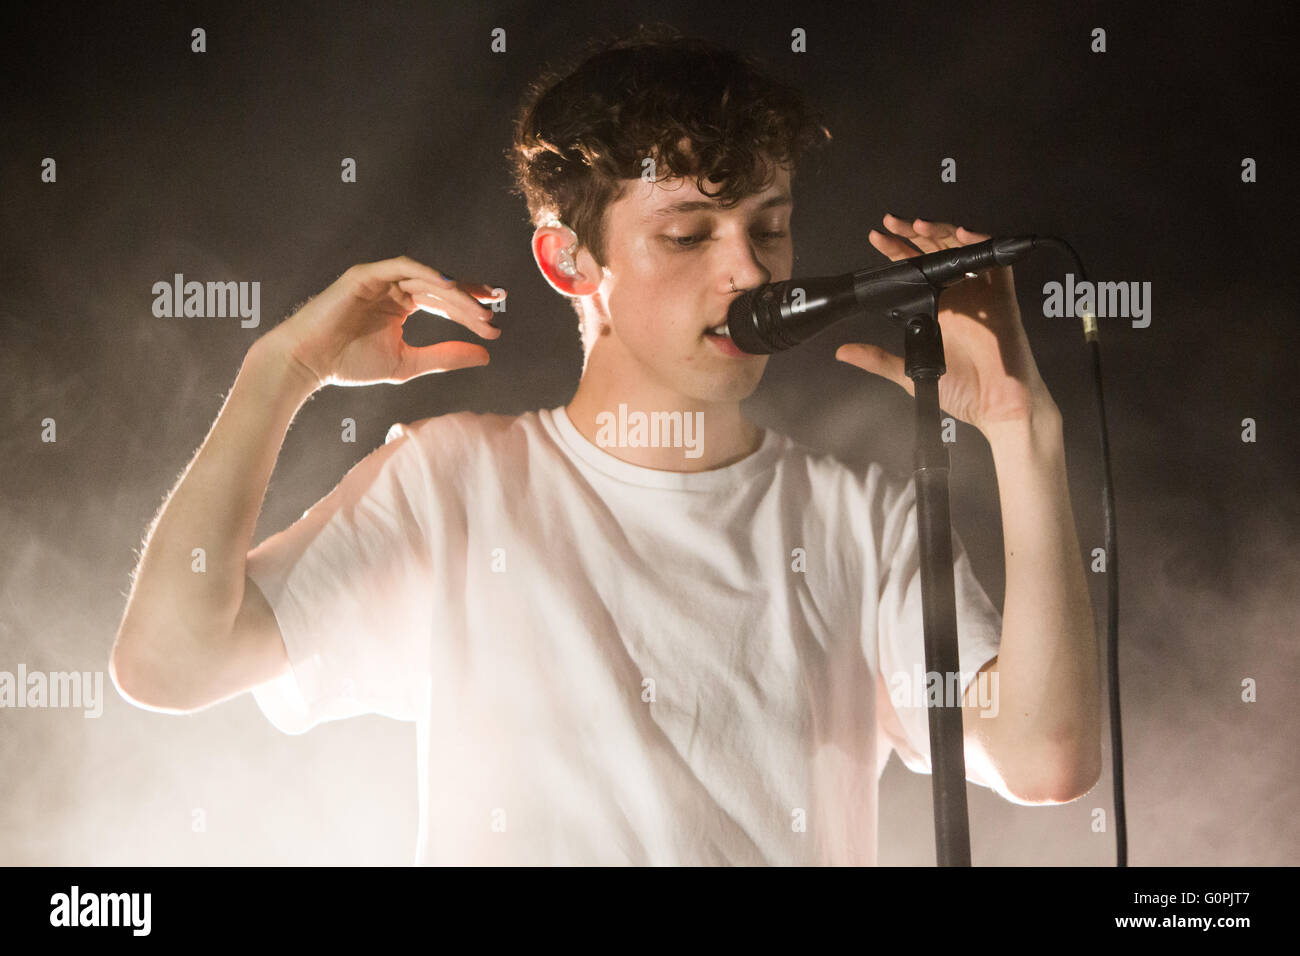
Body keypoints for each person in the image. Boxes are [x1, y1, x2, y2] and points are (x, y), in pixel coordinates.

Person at [109, 24, 1100, 865]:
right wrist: (282, 368)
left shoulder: (863, 522)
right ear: (568, 257)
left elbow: (1046, 755)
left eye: (770, 226)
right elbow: (170, 659)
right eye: (688, 233)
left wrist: (1024, 427)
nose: (747, 270)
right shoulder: (455, 481)